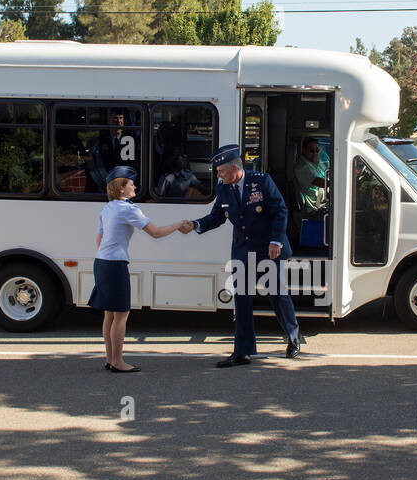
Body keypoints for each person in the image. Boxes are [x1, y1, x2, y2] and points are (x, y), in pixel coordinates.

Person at [192, 144, 302, 367]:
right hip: (242, 250)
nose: (218, 175)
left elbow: (280, 210)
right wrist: (195, 224)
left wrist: (276, 241)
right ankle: (242, 351)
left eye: (221, 170)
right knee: (241, 299)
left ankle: (293, 337)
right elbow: (216, 217)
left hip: (269, 248)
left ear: (234, 168)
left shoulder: (261, 181)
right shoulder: (223, 188)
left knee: (277, 295)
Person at [90, 166, 193, 372]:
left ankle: (110, 359)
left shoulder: (107, 209)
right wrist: (178, 224)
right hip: (115, 265)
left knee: (109, 315)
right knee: (121, 314)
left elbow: (99, 240)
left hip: (101, 262)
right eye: (131, 183)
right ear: (121, 189)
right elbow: (155, 232)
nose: (134, 186)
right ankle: (118, 362)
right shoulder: (128, 209)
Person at [293, 137, 329, 214]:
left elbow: (328, 175)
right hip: (316, 209)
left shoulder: (315, 163)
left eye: (317, 150)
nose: (315, 153)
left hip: (325, 202)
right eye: (312, 150)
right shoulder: (301, 167)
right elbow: (321, 183)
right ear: (303, 150)